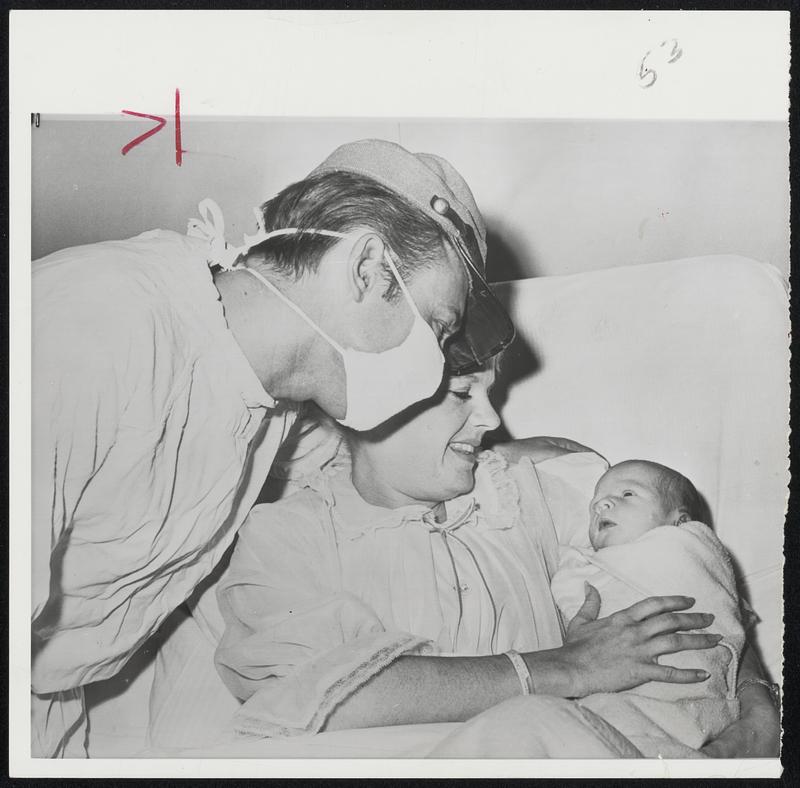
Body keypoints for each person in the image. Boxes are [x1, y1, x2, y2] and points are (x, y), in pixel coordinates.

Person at [31, 138, 515, 757]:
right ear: (366, 271)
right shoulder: (99, 321)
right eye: (439, 328)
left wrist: (527, 461)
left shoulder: (286, 408)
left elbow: (381, 463)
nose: (432, 374)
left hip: (50, 722)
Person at [213, 363, 779, 757]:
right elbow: (309, 698)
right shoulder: (286, 535)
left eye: (490, 390)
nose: (491, 417)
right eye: (462, 392)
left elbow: (687, 568)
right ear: (364, 402)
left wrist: (758, 712)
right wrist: (564, 666)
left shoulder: (528, 491)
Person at [546, 460, 776, 756]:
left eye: (628, 494)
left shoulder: (687, 547)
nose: (601, 504)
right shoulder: (597, 564)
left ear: (680, 522)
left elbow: (723, 605)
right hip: (625, 695)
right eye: (595, 504)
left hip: (689, 692)